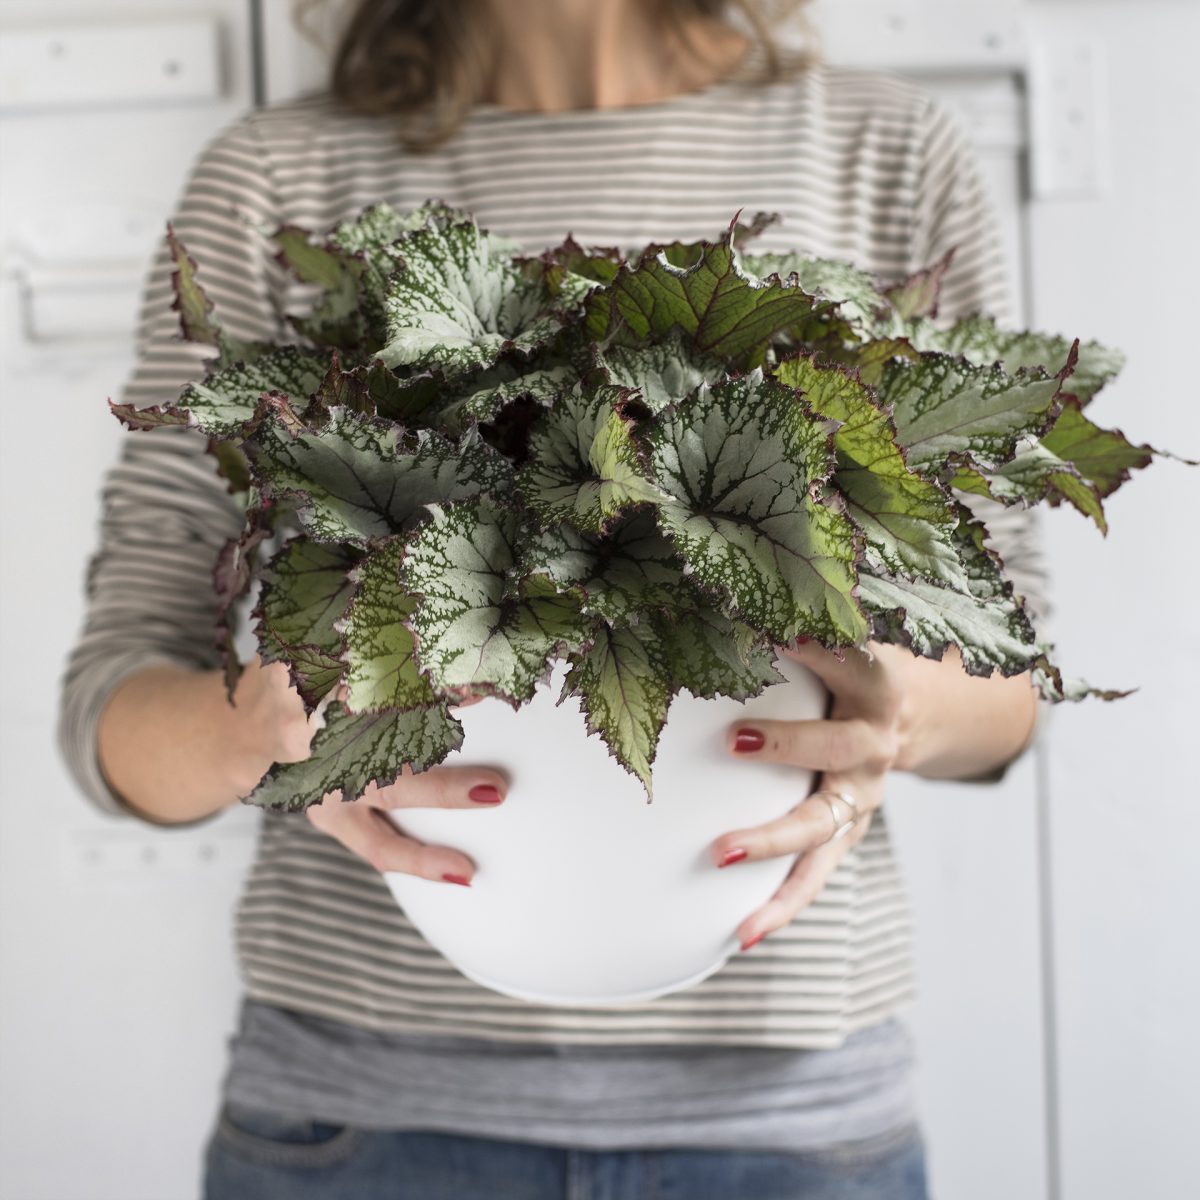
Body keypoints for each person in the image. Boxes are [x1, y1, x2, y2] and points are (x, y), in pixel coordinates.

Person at [57, 1, 1047, 1197]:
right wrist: (280, 738)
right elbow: (112, 713)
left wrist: (897, 718)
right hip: (358, 1118)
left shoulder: (889, 150)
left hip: (787, 1118)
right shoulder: (279, 173)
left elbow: (1012, 676)